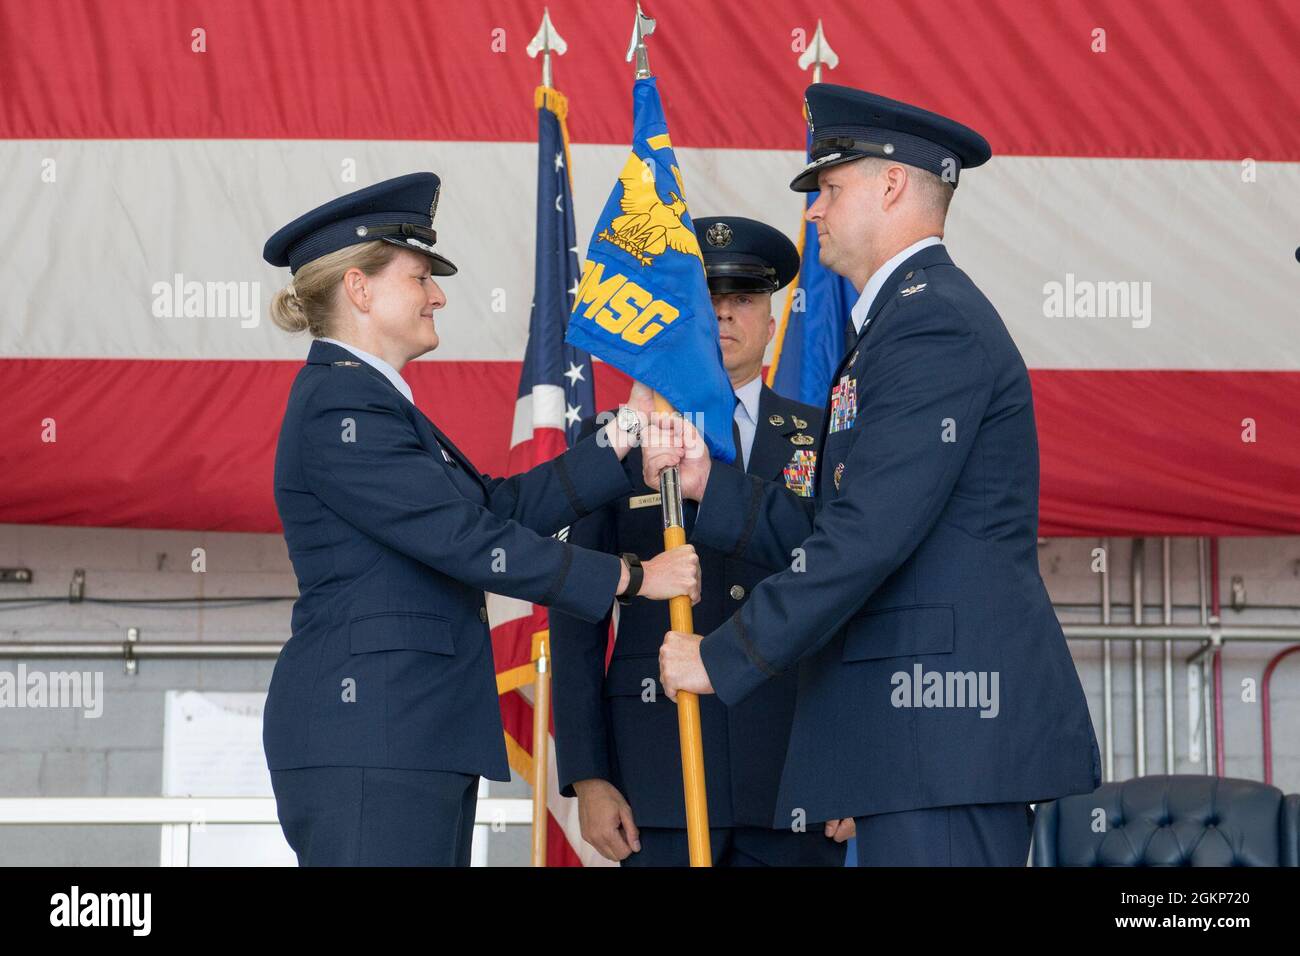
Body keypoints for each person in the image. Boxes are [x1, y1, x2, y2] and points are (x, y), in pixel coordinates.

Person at [646, 86, 1102, 867]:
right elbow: (845, 525)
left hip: (945, 737)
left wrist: (724, 657)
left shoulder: (931, 322)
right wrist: (705, 484)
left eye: (828, 188)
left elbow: (867, 536)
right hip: (917, 745)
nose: (814, 212)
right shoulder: (900, 322)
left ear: (890, 185)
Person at [260, 172, 700, 866]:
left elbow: (492, 508)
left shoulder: (371, 403)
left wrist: (621, 439)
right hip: (375, 738)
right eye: (420, 276)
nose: (437, 294)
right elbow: (468, 540)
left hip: (405, 733)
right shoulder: (342, 408)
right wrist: (629, 577)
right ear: (359, 289)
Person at [550, 216, 846, 866]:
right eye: (705, 299)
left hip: (796, 776)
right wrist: (589, 776)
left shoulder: (822, 439)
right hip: (657, 772)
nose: (724, 315)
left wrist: (857, 762)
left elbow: (852, 599)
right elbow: (577, 609)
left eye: (742, 298)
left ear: (772, 320)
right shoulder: (619, 439)